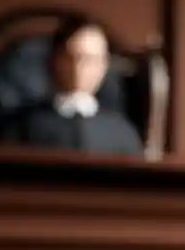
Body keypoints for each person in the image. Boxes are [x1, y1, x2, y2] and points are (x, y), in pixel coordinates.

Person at [8, 17, 145, 155]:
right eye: (71, 57)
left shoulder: (122, 132)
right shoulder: (24, 126)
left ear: (104, 65)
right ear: (54, 61)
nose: (79, 68)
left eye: (90, 59)